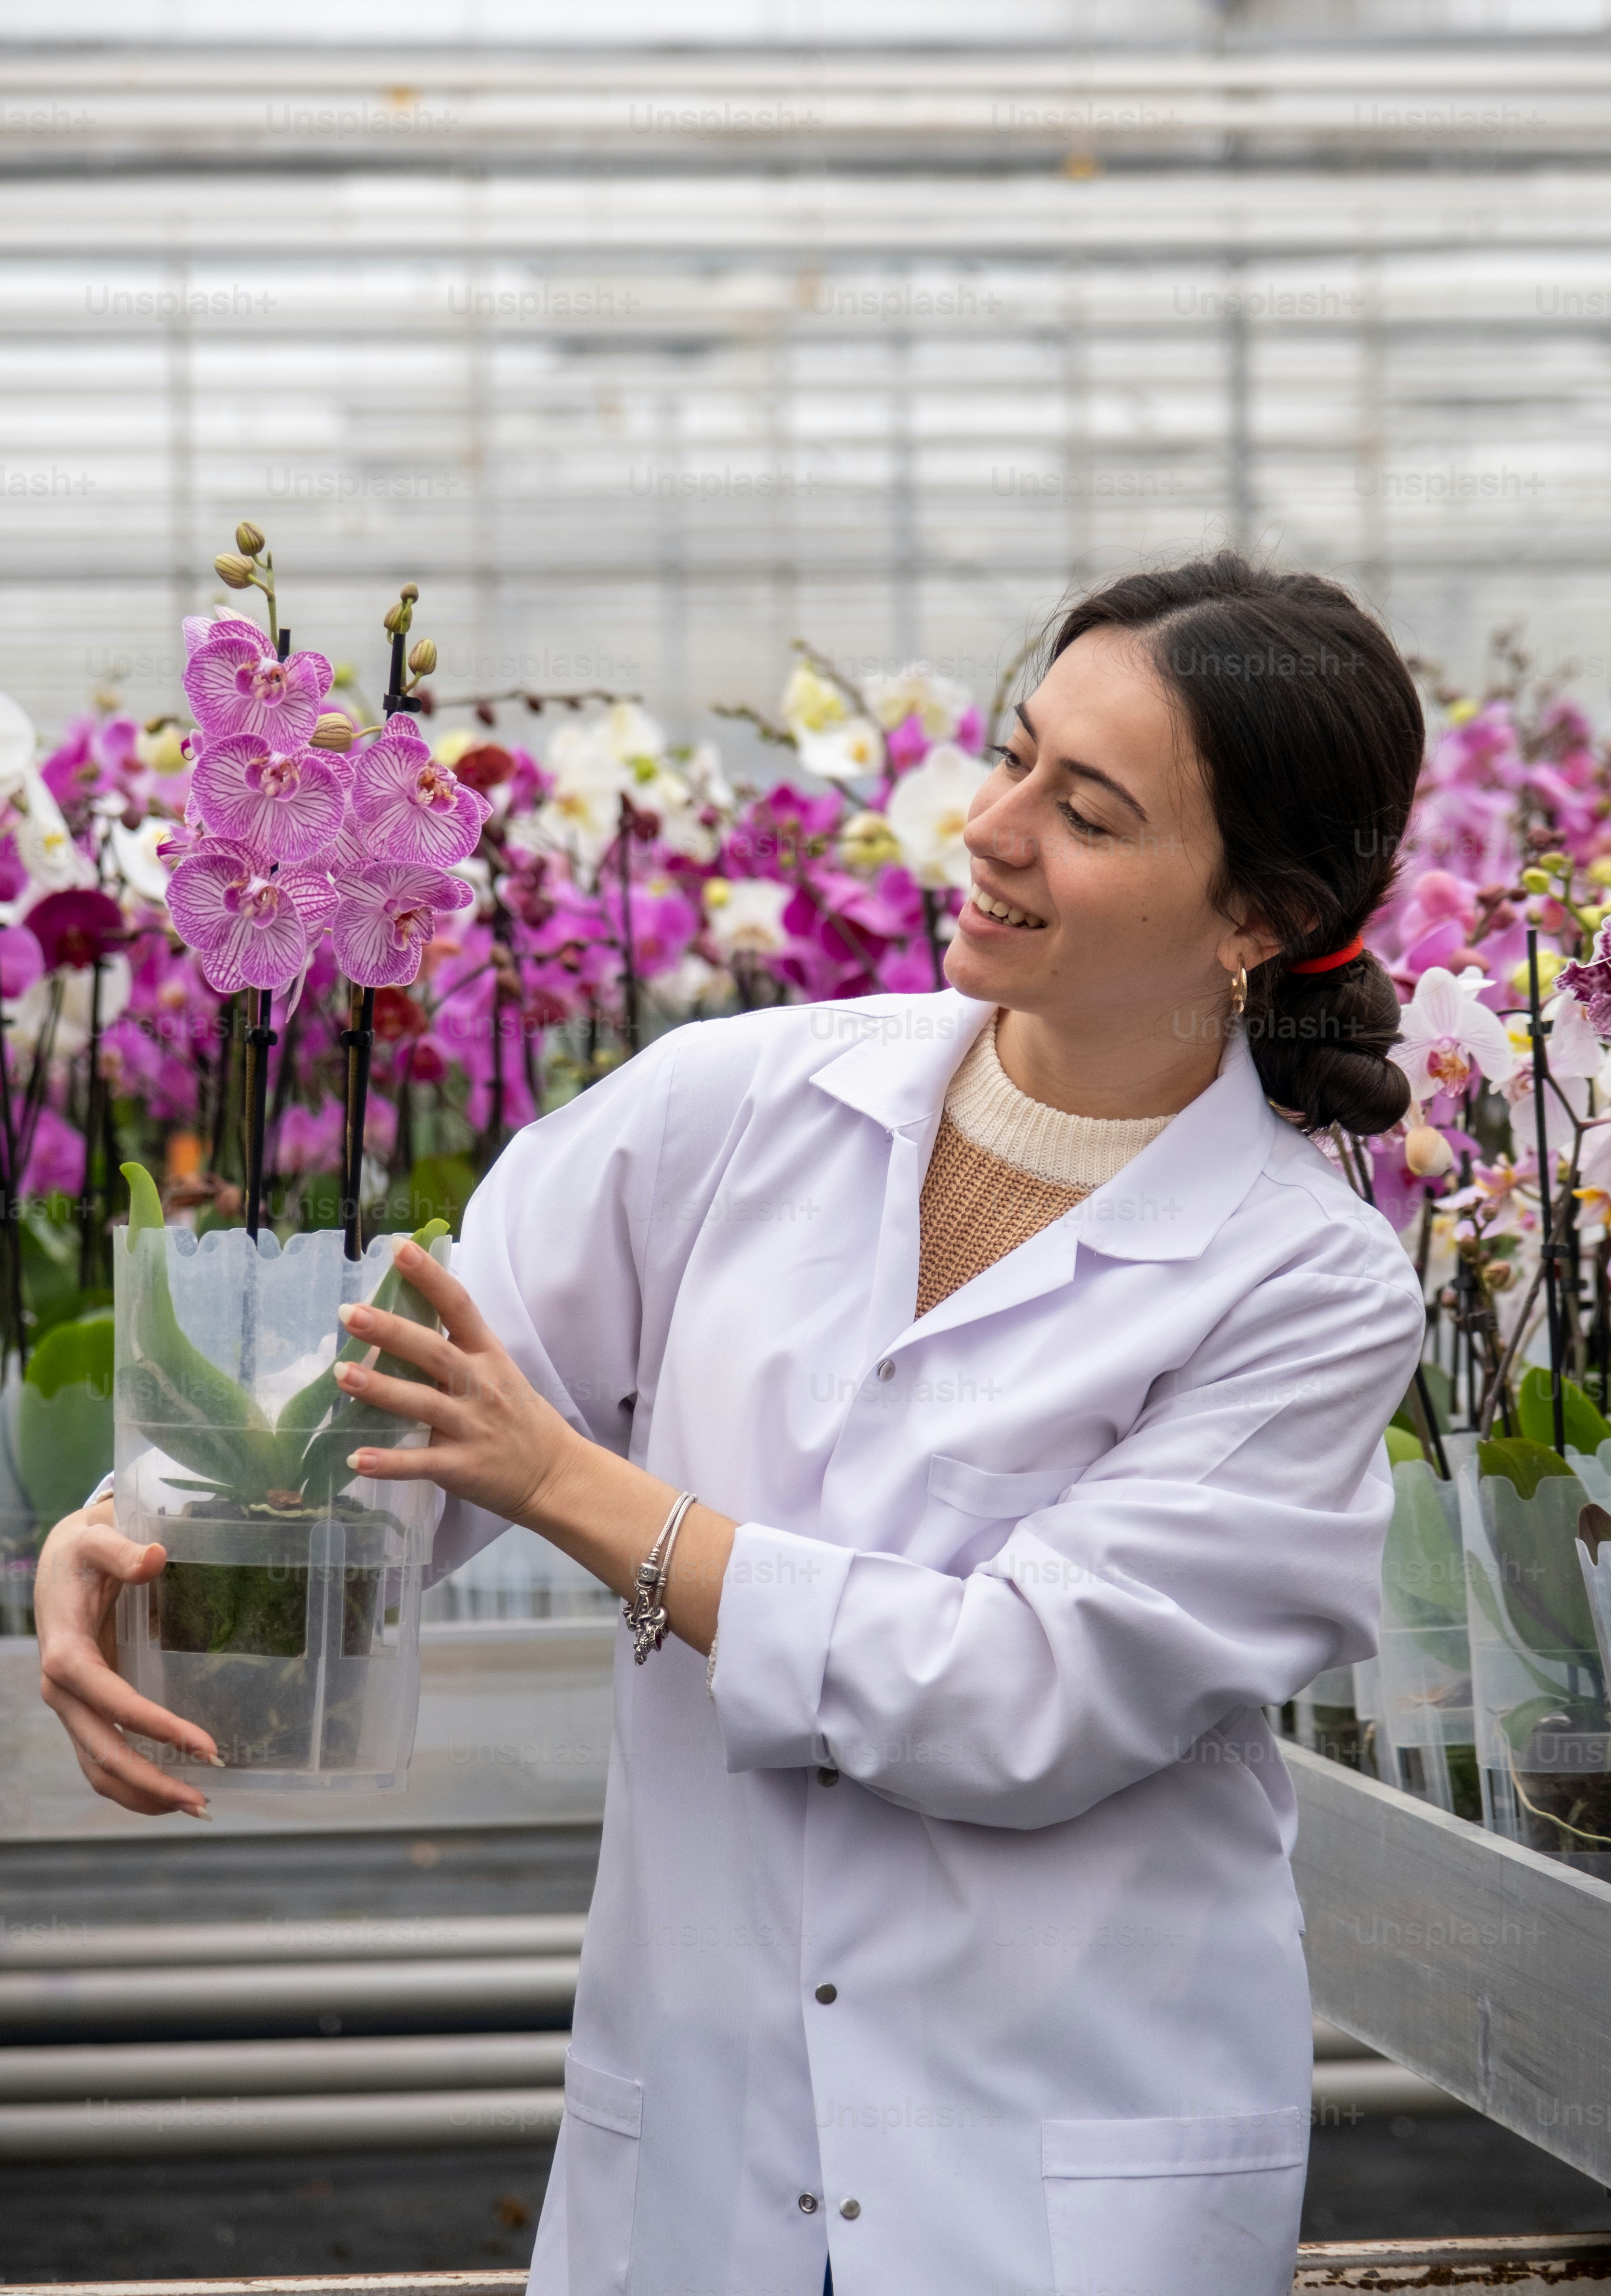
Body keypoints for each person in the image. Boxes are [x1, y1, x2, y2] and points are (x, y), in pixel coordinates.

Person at [37, 552, 1428, 2296]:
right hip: (699, 2159)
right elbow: (407, 1392)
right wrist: (144, 1527)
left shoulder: (1302, 1280)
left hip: (1054, 2188)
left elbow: (1022, 1695)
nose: (991, 828)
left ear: (1252, 918)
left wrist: (581, 1492)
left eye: (1084, 809)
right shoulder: (741, 1103)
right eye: (1011, 759)